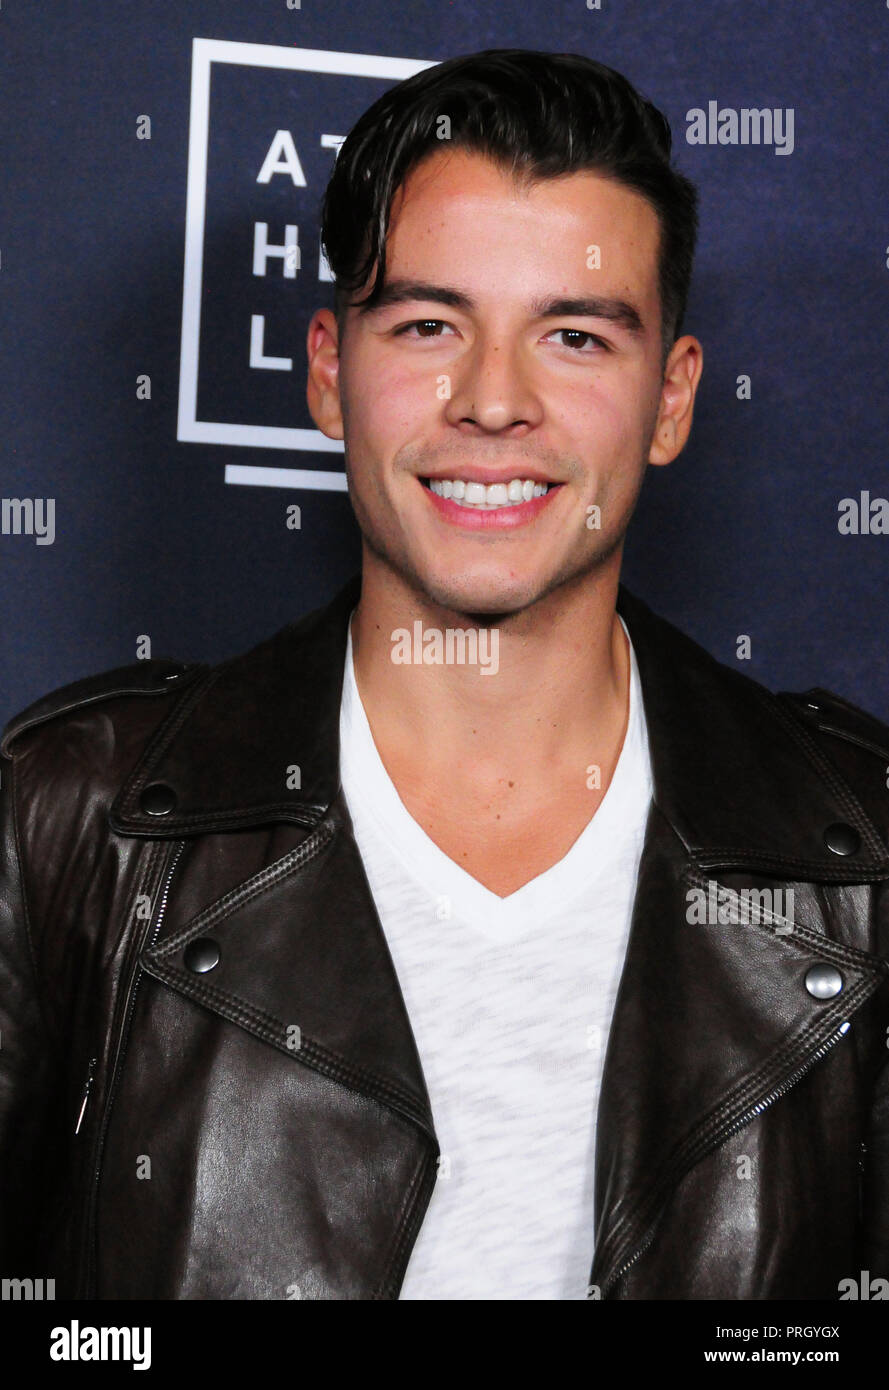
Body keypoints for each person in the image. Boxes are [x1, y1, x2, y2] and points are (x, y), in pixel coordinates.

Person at [1, 49, 887, 1302]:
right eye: (428, 325)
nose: (492, 402)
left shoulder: (858, 856)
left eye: (573, 335)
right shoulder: (69, 817)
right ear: (326, 373)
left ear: (671, 400)